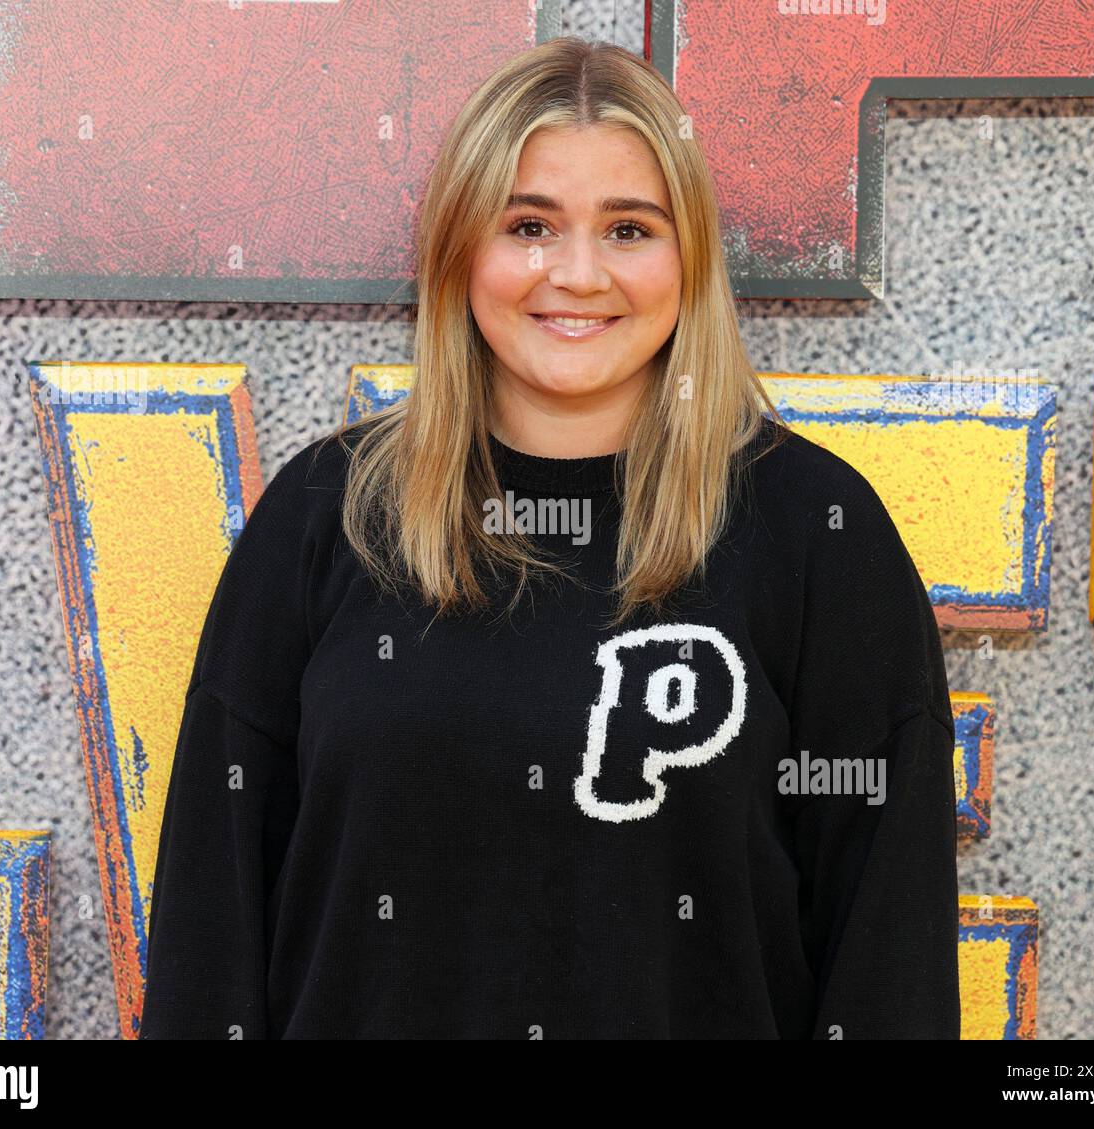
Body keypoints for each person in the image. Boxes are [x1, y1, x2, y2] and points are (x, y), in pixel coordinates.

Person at [138, 36, 959, 1040]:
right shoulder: (325, 516)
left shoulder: (819, 534)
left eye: (628, 229)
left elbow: (889, 961)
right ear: (458, 248)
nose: (576, 274)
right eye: (528, 224)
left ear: (688, 256)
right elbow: (208, 936)